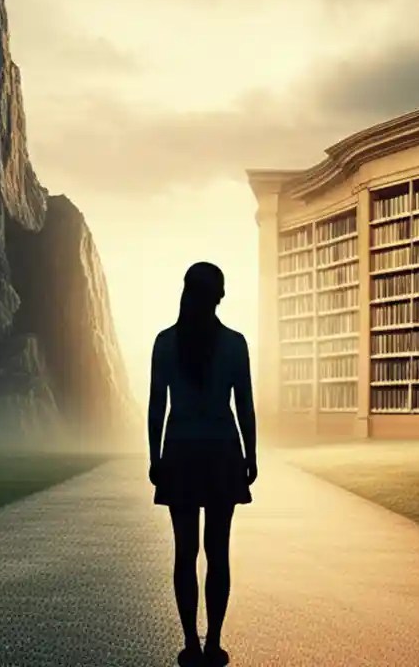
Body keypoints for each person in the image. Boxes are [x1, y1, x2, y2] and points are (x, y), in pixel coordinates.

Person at [148, 261, 258, 667]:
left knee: (185, 552)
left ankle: (189, 644)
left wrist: (154, 455)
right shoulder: (235, 344)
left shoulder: (165, 343)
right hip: (221, 451)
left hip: (179, 449)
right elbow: (243, 403)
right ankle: (214, 643)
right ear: (219, 296)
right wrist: (252, 453)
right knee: (218, 552)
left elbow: (157, 403)